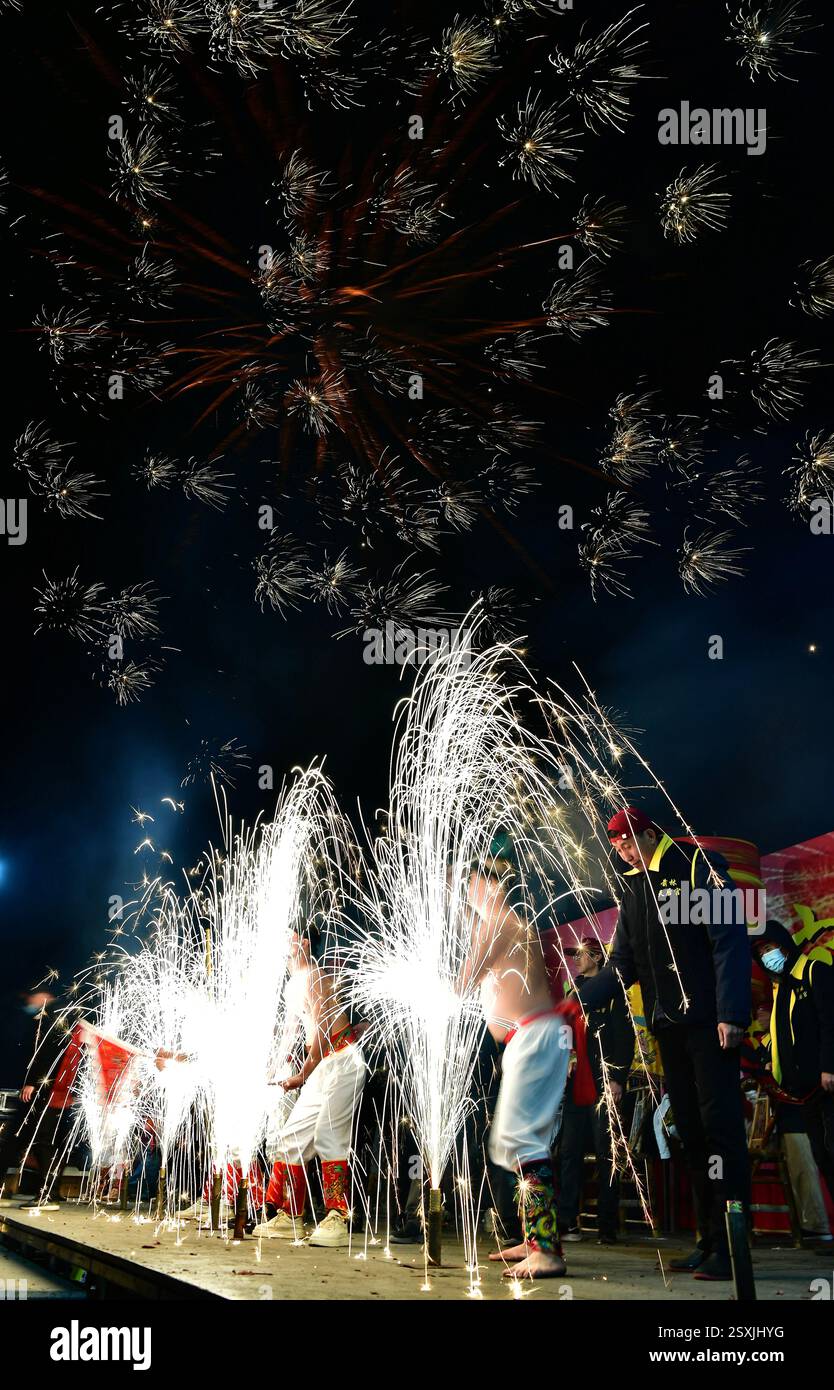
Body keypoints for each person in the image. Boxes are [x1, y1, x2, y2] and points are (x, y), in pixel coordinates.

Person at [577, 807, 751, 1281]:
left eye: (629, 843)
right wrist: (579, 1000)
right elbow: (623, 964)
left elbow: (727, 941)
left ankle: (733, 1245)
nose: (623, 853)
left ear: (651, 833)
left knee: (720, 1131)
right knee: (690, 1132)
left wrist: (731, 1012)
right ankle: (708, 1239)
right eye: (616, 848)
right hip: (668, 1028)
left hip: (708, 1025)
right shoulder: (635, 888)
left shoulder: (696, 867)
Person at [462, 838, 588, 1280]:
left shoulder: (496, 924)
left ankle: (547, 1250)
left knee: (520, 1140)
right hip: (533, 1036)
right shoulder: (510, 923)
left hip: (535, 1035)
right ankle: (534, 1238)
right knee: (511, 1143)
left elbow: (462, 982)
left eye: (472, 885)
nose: (468, 894)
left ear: (490, 886)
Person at [258, 930, 366, 1248]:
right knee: (291, 1137)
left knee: (328, 1136)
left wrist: (302, 1075)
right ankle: (290, 1216)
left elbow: (320, 1028)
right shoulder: (292, 986)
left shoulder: (315, 974)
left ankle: (338, 1215)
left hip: (342, 1061)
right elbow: (291, 1033)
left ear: (304, 943)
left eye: (288, 936)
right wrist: (272, 1068)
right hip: (321, 1066)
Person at [751, 922, 834, 1227]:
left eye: (768, 948)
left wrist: (829, 1066)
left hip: (825, 1084)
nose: (765, 956)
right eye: (760, 953)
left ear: (783, 944)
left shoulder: (816, 972)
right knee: (823, 1158)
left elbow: (830, 1022)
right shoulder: (783, 987)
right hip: (801, 1093)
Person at [558, 937, 634, 1244]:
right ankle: (567, 1222)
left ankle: (607, 1225)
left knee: (607, 1155)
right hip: (575, 1086)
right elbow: (562, 1033)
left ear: (598, 958)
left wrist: (617, 1078)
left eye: (582, 954)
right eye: (574, 954)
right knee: (568, 1153)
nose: (576, 958)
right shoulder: (571, 994)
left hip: (603, 1086)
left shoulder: (613, 993)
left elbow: (625, 1038)